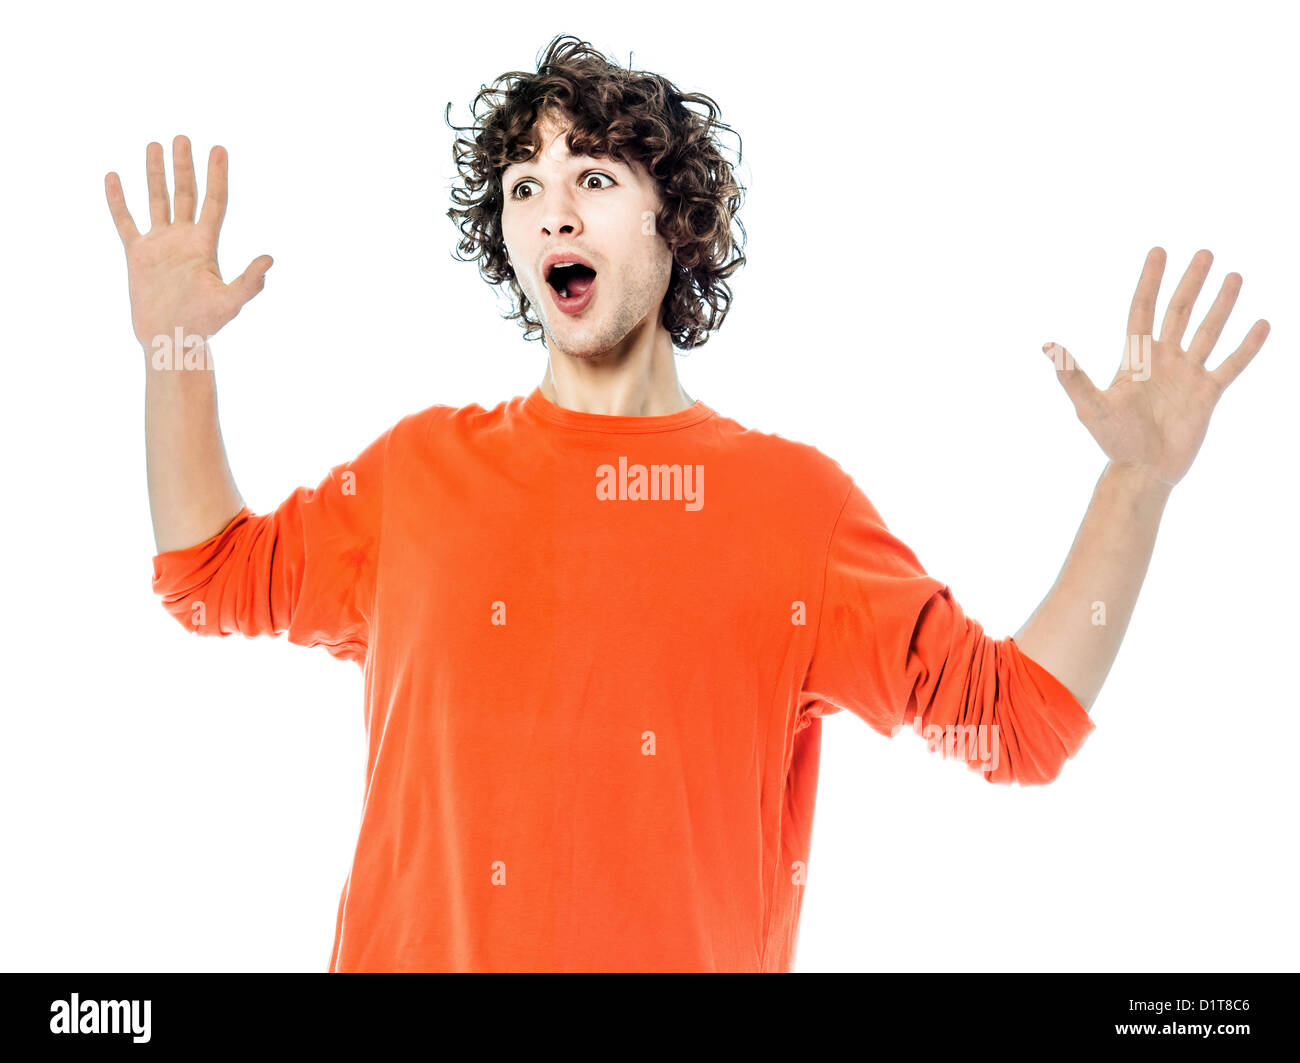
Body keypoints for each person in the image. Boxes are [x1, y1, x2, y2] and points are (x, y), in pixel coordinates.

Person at [106, 35, 1270, 973]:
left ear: (676, 222)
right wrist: (171, 349)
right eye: (526, 187)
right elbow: (209, 579)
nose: (553, 212)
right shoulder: (417, 475)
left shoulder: (792, 510)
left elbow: (1017, 723)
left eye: (594, 179)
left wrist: (1136, 482)